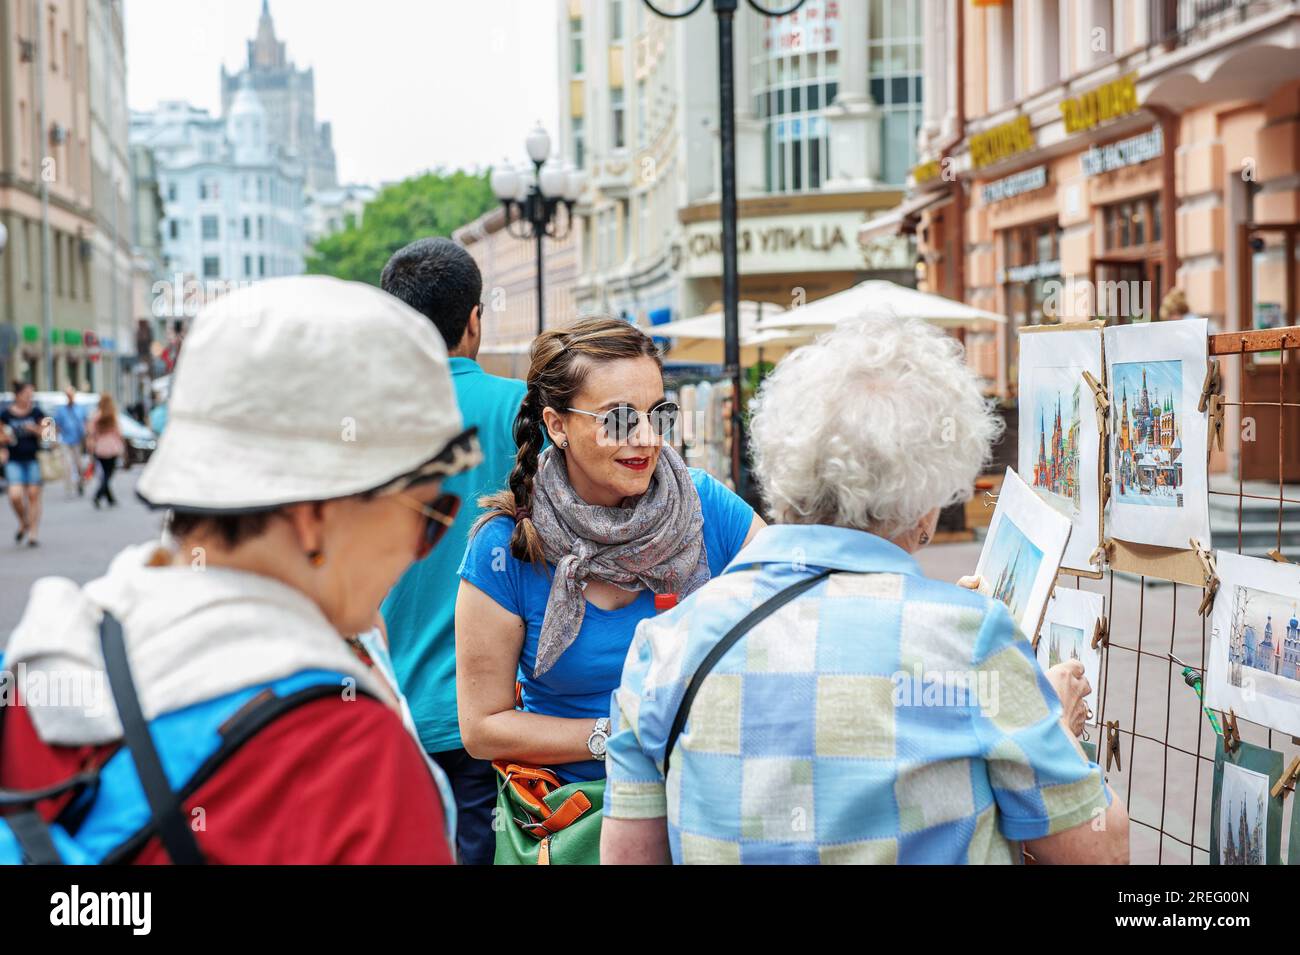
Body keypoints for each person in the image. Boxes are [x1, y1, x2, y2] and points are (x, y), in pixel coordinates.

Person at [600, 316, 1130, 865]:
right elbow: (1099, 851)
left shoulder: (665, 644)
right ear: (928, 500)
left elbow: (628, 857)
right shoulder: (971, 640)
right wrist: (1060, 729)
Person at [1, 275, 481, 863]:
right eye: (430, 512)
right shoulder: (346, 755)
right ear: (314, 514)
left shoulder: (48, 658)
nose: (424, 546)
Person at [455, 316, 765, 854]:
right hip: (581, 819)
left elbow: (791, 595)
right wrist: (621, 736)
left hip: (707, 809)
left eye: (657, 415)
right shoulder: (504, 545)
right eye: (619, 420)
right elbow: (482, 727)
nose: (645, 439)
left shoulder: (703, 504)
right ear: (556, 425)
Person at [376, 236, 528, 865]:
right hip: (487, 708)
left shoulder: (358, 418)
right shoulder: (520, 410)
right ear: (474, 320)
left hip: (381, 706)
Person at [1, 381, 51, 547]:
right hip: (14, 460)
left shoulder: (38, 411)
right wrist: (5, 439)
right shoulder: (5, 414)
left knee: (33, 494)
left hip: (33, 458)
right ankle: (24, 521)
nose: (30, 397)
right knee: (15, 496)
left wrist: (35, 430)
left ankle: (33, 533)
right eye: (27, 394)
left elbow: (50, 434)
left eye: (32, 394)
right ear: (18, 395)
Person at [86, 394, 127, 509]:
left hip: (100, 447)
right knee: (108, 474)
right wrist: (123, 446)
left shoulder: (96, 415)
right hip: (112, 447)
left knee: (105, 473)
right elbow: (119, 432)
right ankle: (98, 494)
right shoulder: (112, 415)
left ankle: (110, 499)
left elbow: (90, 431)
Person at [52, 387, 88, 497]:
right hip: (65, 441)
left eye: (71, 395)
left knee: (79, 465)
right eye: (68, 395)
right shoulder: (61, 410)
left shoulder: (80, 409)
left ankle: (80, 484)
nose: (70, 397)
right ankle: (68, 489)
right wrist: (54, 440)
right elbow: (57, 425)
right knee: (67, 465)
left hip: (78, 441)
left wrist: (88, 439)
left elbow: (86, 424)